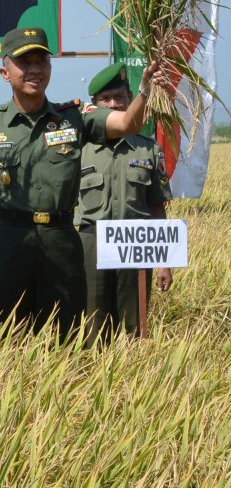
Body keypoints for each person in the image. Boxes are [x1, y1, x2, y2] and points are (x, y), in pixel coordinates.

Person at [0, 27, 172, 337]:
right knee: (1, 336)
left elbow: (129, 122)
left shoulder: (74, 118)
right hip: (7, 241)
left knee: (64, 339)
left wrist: (144, 91)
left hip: (60, 242)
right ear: (5, 72)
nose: (35, 69)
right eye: (25, 62)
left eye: (41, 61)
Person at [76, 62, 173, 339]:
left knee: (134, 323)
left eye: (120, 97)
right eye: (105, 99)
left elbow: (157, 206)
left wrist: (162, 261)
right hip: (91, 242)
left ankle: (133, 376)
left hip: (135, 240)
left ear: (131, 99)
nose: (114, 104)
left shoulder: (148, 148)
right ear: (93, 106)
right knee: (91, 322)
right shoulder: (79, 149)